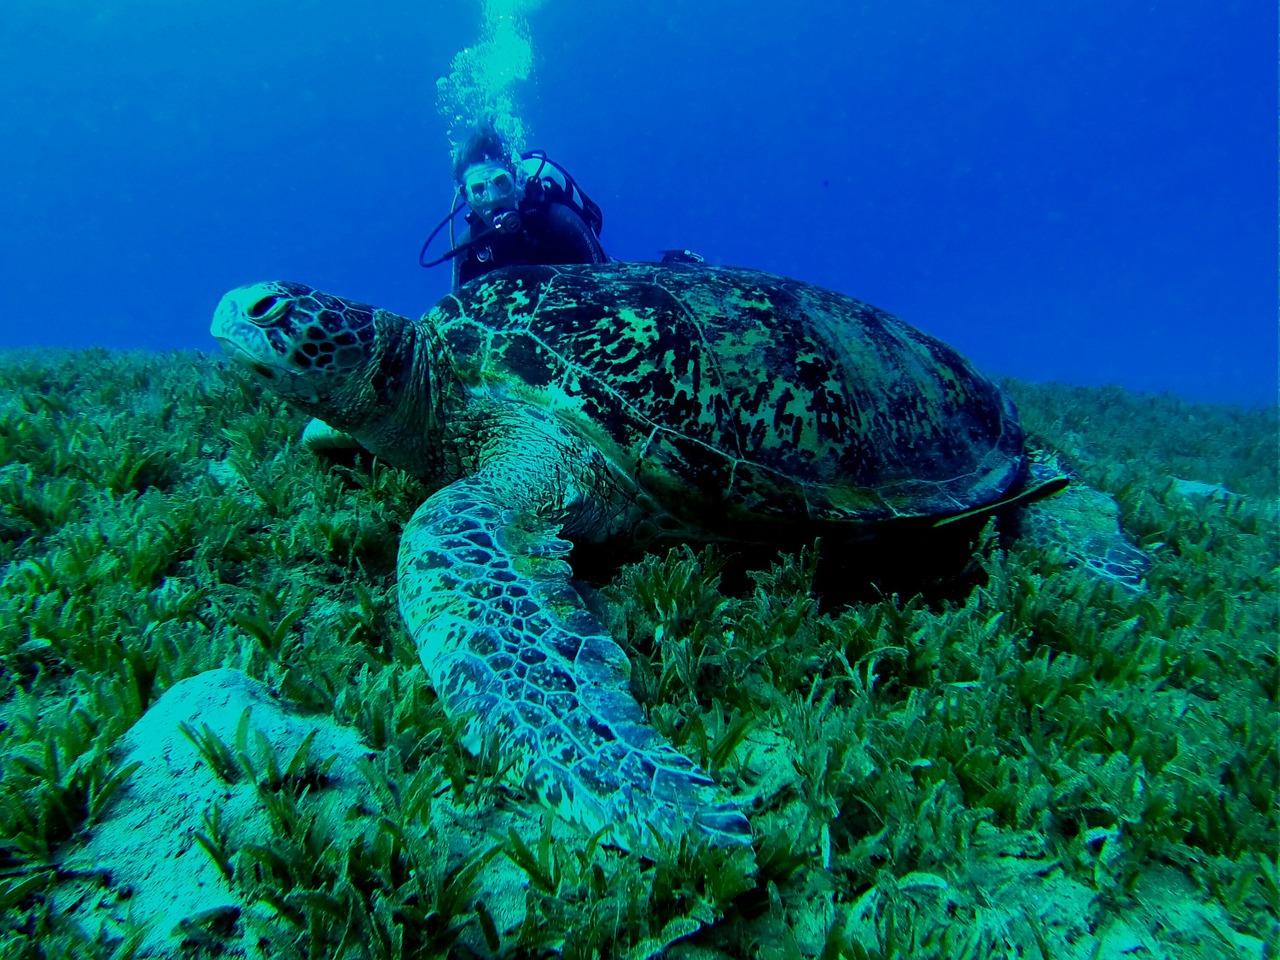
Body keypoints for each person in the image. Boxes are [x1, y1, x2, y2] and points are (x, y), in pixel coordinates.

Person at [421, 121, 608, 288]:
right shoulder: (469, 248)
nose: (493, 198)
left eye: (501, 182)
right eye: (478, 190)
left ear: (516, 179)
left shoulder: (558, 219)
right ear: (466, 196)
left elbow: (603, 280)